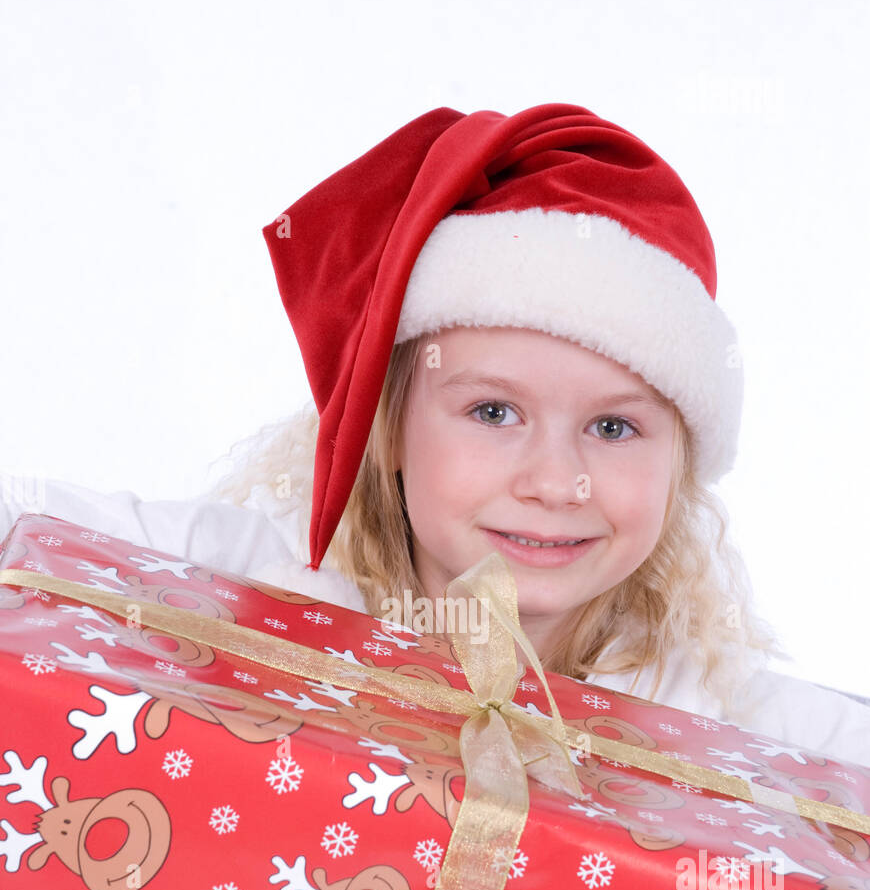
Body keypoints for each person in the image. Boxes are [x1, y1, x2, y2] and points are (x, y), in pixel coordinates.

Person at [1, 102, 868, 770]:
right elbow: (27, 535)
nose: (554, 481)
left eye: (614, 426)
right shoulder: (244, 580)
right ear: (385, 427)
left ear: (681, 471)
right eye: (494, 413)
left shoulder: (717, 719)